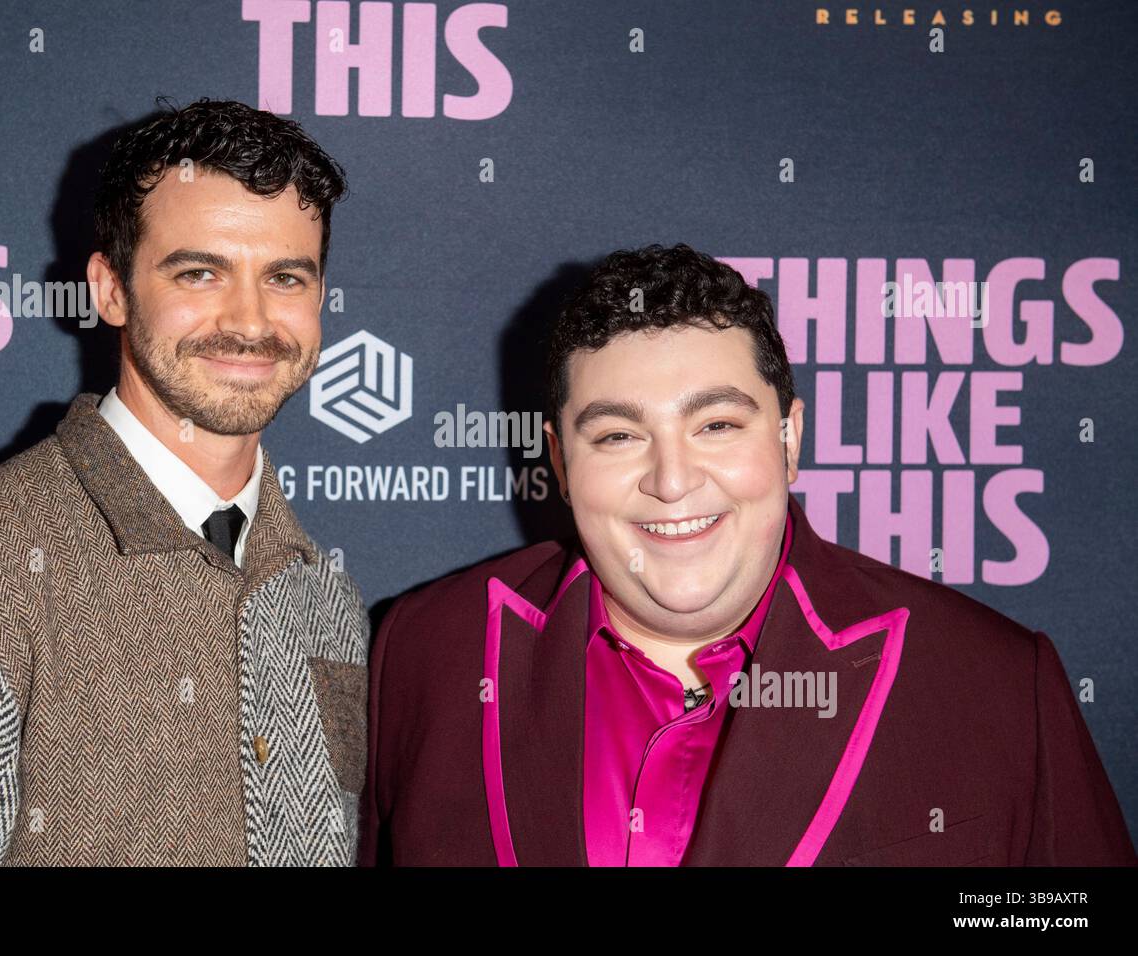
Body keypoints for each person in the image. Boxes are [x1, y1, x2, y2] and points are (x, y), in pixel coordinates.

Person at [359, 243, 1135, 866]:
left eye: (718, 426)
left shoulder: (992, 681)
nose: (671, 479)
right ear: (561, 465)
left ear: (789, 438)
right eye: (619, 435)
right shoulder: (427, 651)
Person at [0, 99, 368, 866]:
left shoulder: (325, 596)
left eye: (285, 277)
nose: (251, 320)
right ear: (111, 289)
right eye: (199, 272)